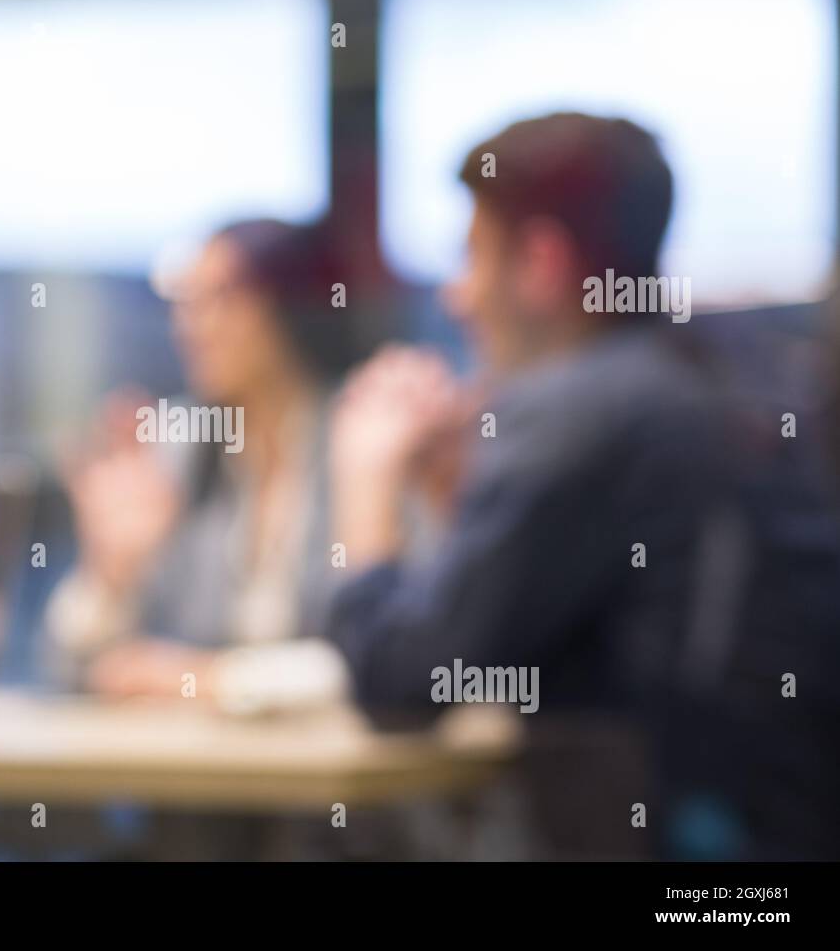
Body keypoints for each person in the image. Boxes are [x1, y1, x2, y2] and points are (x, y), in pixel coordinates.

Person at [325, 113, 840, 859]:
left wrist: (364, 480)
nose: (456, 298)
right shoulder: (740, 379)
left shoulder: (578, 408)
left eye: (472, 258)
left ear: (539, 263)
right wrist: (462, 494)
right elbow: (523, 643)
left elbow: (400, 687)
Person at [46, 219, 370, 711]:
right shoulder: (177, 449)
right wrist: (107, 578)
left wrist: (212, 680)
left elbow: (380, 665)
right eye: (186, 301)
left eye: (223, 296)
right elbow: (70, 670)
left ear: (289, 303)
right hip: (201, 778)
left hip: (337, 778)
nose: (192, 324)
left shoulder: (363, 442)